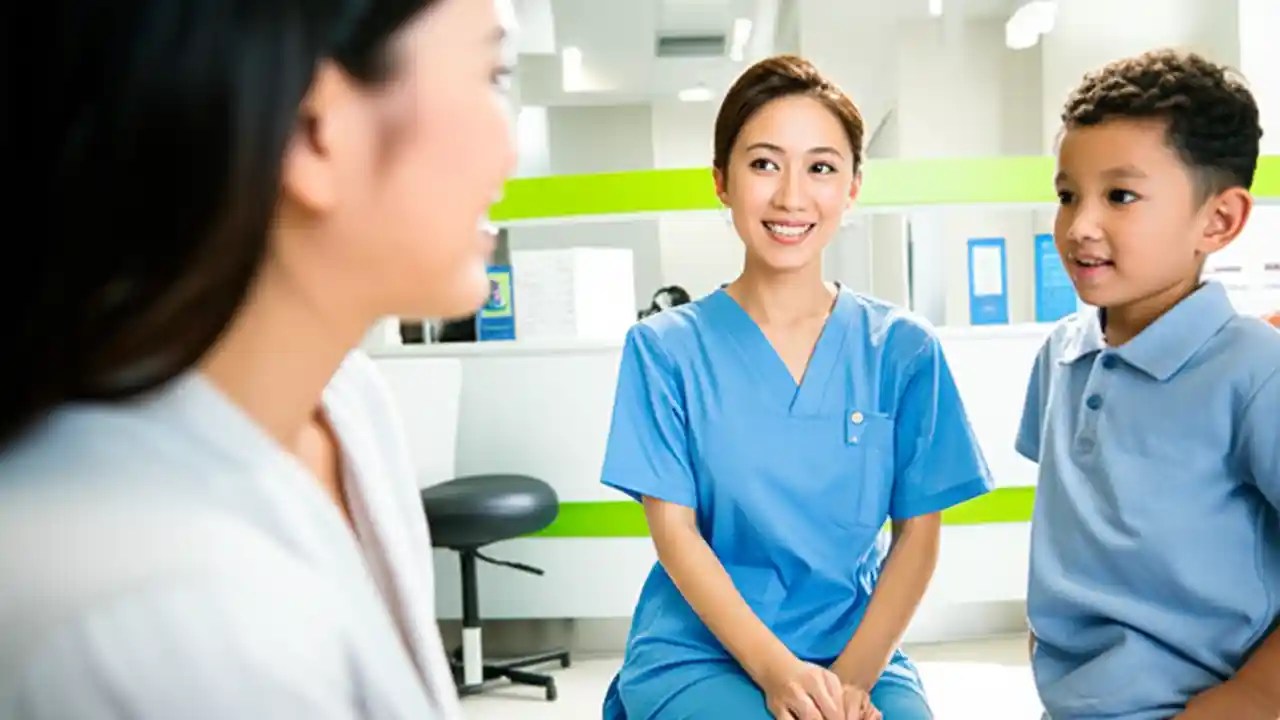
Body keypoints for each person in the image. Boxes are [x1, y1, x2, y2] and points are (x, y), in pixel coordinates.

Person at [0, 0, 516, 717]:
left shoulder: (348, 403)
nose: (512, 150)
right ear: (316, 129)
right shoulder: (162, 621)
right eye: (493, 73)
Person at [599, 55, 993, 720]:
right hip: (703, 650)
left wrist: (849, 686)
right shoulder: (664, 351)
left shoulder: (902, 349)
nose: (791, 196)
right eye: (763, 164)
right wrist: (779, 675)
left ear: (853, 186)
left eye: (820, 167)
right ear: (722, 181)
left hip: (855, 645)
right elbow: (676, 536)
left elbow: (918, 537)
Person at [1017, 49, 1280, 720]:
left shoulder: (1256, 371)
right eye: (1067, 194)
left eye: (1121, 196)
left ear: (1218, 221)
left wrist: (1252, 699)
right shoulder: (1061, 356)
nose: (1079, 226)